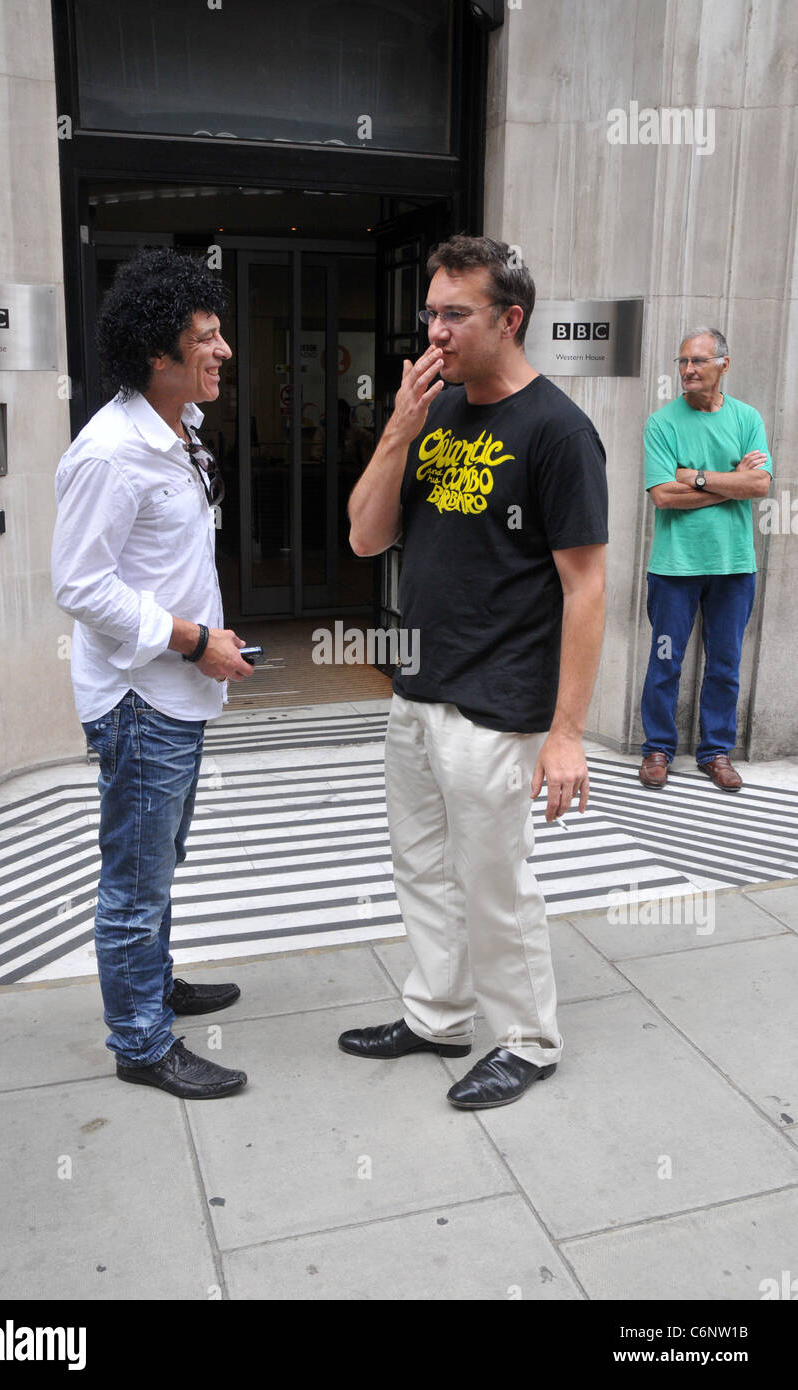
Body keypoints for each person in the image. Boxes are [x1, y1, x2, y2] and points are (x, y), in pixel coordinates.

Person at [339, 235, 608, 1110]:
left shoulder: (558, 431)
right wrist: (396, 430)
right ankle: (437, 1015)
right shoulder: (435, 413)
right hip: (416, 690)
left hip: (499, 706)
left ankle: (528, 1041)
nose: (434, 332)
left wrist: (565, 734)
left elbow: (586, 587)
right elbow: (365, 536)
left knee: (494, 883)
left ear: (510, 318)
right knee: (419, 868)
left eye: (455, 314)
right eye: (430, 313)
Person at [52, 249, 255, 1099]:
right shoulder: (110, 453)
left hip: (175, 690)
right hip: (140, 698)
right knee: (135, 880)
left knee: (158, 859)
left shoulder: (177, 434)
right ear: (155, 357)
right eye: (204, 339)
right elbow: (79, 583)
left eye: (218, 334)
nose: (223, 351)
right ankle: (140, 1040)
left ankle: (152, 981)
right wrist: (191, 637)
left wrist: (207, 639)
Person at [639, 329, 772, 792]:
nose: (687, 370)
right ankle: (657, 748)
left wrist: (694, 478)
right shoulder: (661, 423)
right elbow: (662, 497)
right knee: (665, 660)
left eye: (697, 361)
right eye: (682, 362)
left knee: (725, 664)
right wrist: (728, 481)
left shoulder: (748, 418)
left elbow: (758, 487)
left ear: (724, 365)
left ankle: (716, 752)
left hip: (734, 566)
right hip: (674, 567)